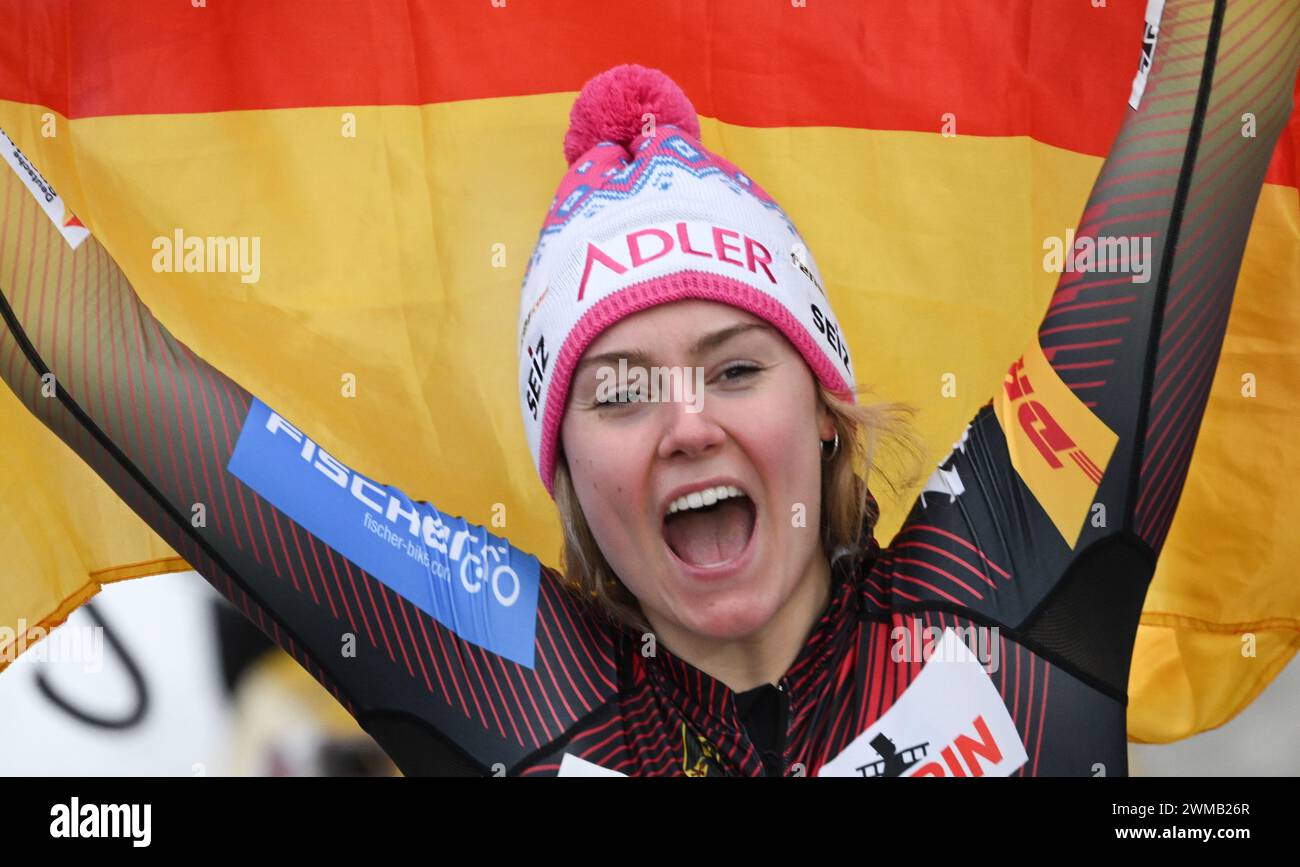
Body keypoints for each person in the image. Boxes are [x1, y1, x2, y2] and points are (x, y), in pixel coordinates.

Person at [1, 0, 1295, 776]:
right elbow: (100, 371)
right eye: (617, 393)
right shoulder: (513, 671)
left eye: (737, 368)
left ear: (830, 420)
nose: (687, 423)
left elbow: (1208, 97)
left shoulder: (996, 572)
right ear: (566, 483)